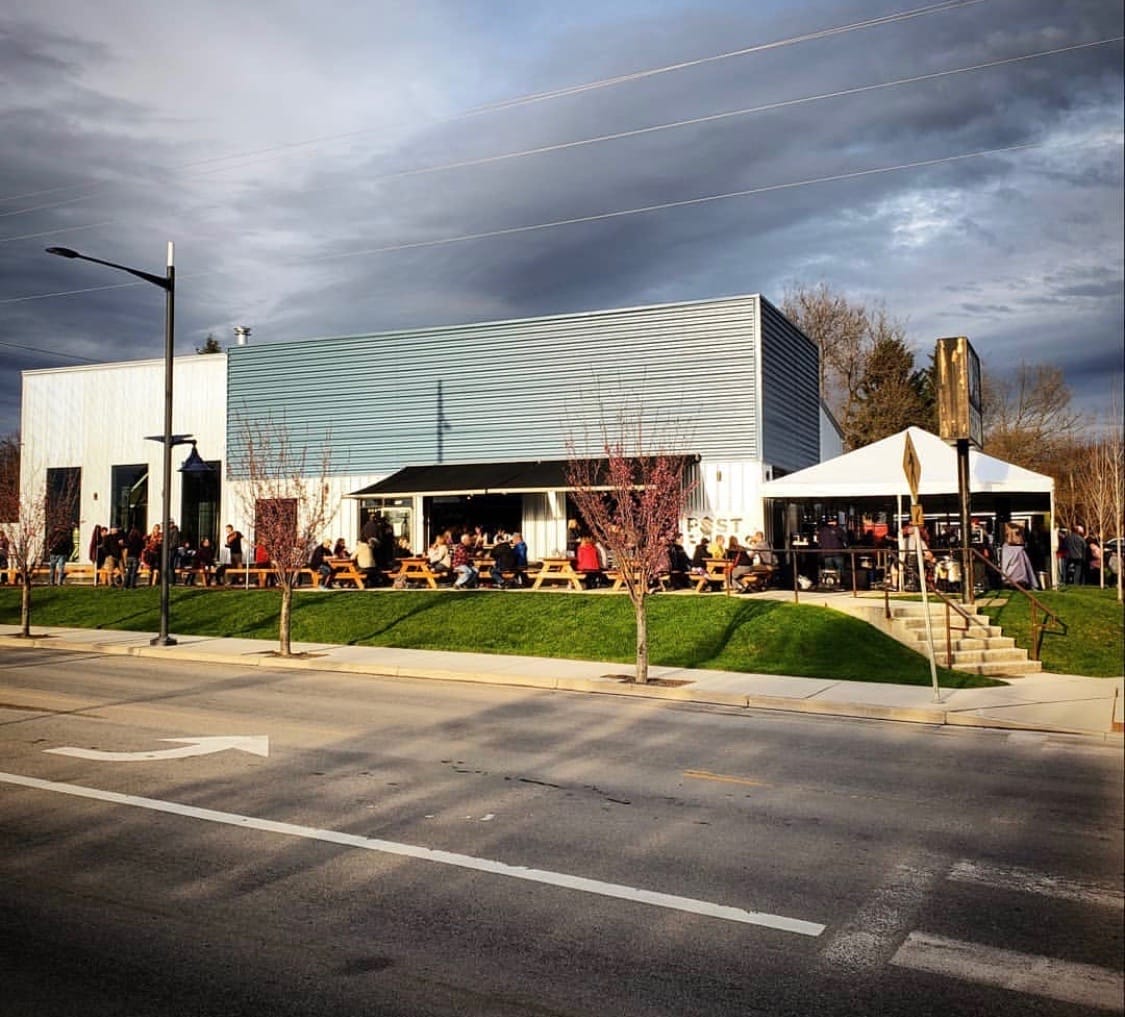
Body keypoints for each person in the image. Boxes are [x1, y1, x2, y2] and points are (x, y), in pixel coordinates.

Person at [999, 522, 1037, 588]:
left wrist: (1003, 577)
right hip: (1014, 580)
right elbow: (1028, 567)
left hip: (1015, 580)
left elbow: (1027, 566)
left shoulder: (1018, 550)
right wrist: (1034, 583)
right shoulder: (1016, 550)